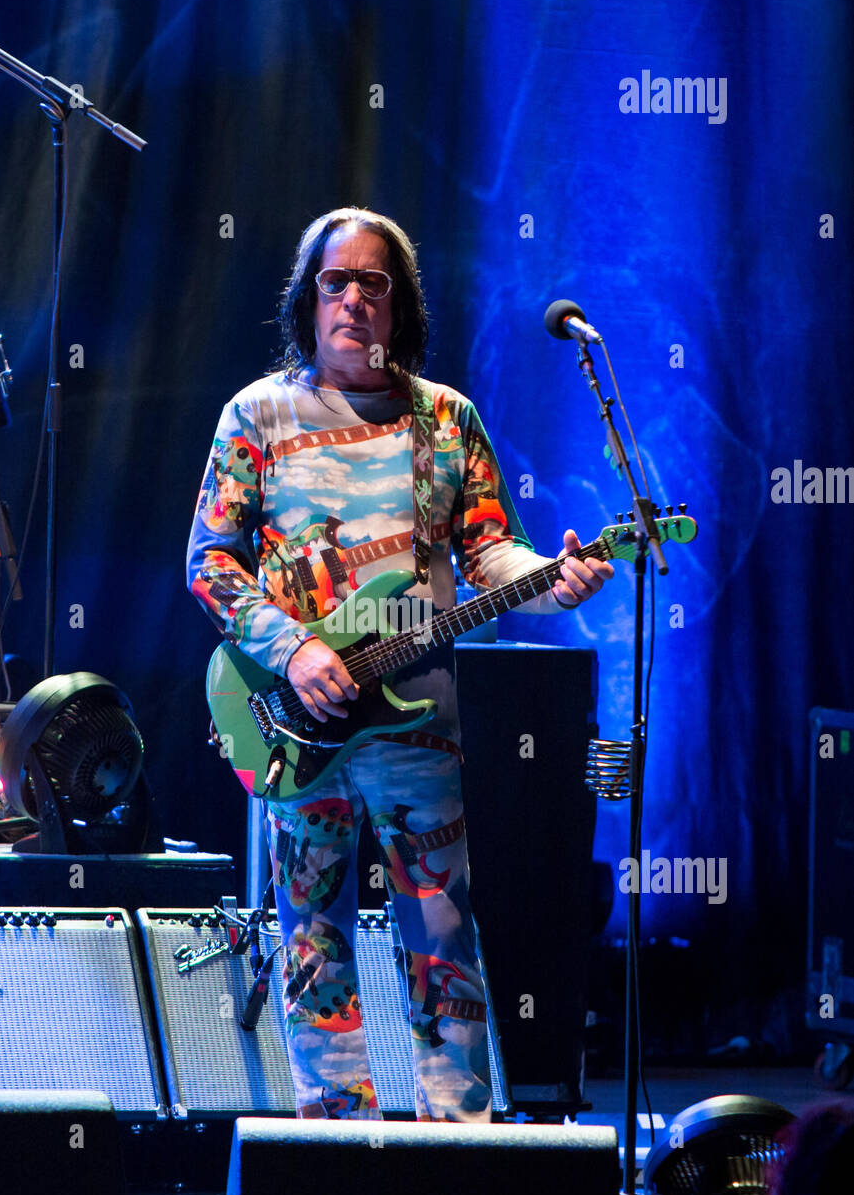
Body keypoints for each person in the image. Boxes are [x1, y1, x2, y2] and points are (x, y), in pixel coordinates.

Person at [186, 206, 613, 1122]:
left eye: (371, 283)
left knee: (440, 924)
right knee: (312, 934)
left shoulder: (446, 421)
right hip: (292, 713)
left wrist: (555, 580)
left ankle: (453, 1134)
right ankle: (334, 1136)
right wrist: (294, 648)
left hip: (417, 719)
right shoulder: (254, 416)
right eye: (333, 282)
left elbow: (491, 555)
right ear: (306, 301)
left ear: (399, 305)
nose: (351, 299)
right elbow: (210, 564)